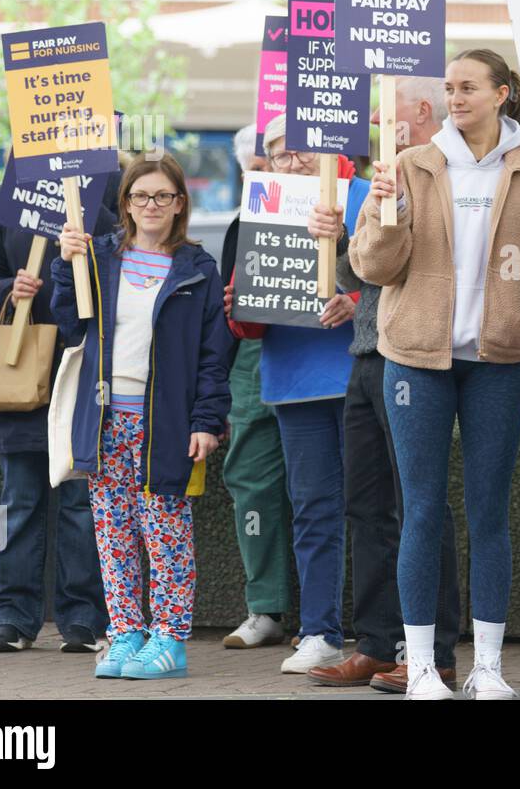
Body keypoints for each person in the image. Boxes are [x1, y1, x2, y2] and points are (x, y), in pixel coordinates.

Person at [350, 49, 520, 700]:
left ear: (502, 93)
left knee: (489, 512)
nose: (454, 98)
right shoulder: (411, 164)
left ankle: (488, 666)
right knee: (422, 509)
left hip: (497, 361)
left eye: (468, 88)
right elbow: (372, 267)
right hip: (415, 358)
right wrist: (389, 213)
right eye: (449, 88)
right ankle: (425, 668)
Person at [306, 77, 464, 692]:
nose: (373, 119)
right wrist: (336, 239)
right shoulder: (386, 174)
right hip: (366, 355)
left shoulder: (446, 171)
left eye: (385, 108)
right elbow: (362, 269)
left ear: (420, 110)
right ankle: (376, 643)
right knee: (366, 503)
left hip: (418, 357)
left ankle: (435, 650)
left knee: (420, 505)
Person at [52, 154, 231, 679]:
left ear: (180, 204)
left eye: (162, 196)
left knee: (166, 533)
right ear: (125, 203)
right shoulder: (101, 254)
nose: (151, 205)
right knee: (112, 533)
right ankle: (127, 631)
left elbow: (212, 357)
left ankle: (171, 641)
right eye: (140, 196)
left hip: (167, 424)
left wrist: (206, 420)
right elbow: (69, 322)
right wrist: (66, 266)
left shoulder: (198, 269)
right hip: (105, 419)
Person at [224, 114, 371, 674]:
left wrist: (358, 302)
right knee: (314, 510)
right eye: (279, 153)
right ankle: (320, 631)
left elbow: (403, 275)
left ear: (335, 148)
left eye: (303, 148)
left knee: (381, 508)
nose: (292, 161)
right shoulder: (263, 205)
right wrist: (243, 305)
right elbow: (244, 321)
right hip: (293, 383)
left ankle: (396, 633)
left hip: (365, 374)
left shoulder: (367, 196)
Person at [0, 166, 111, 655]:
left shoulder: (102, 196)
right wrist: (10, 290)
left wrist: (88, 248)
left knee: (79, 501)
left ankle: (82, 619)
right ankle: (12, 617)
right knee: (20, 499)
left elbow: (121, 268)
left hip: (80, 363)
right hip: (22, 364)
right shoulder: (8, 199)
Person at [218, 123, 292, 649]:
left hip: (321, 362)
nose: (275, 172)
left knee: (321, 490)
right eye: (264, 164)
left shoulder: (339, 208)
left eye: (286, 159)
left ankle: (320, 615)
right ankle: (264, 606)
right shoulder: (244, 221)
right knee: (251, 480)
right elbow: (227, 314)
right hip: (253, 363)